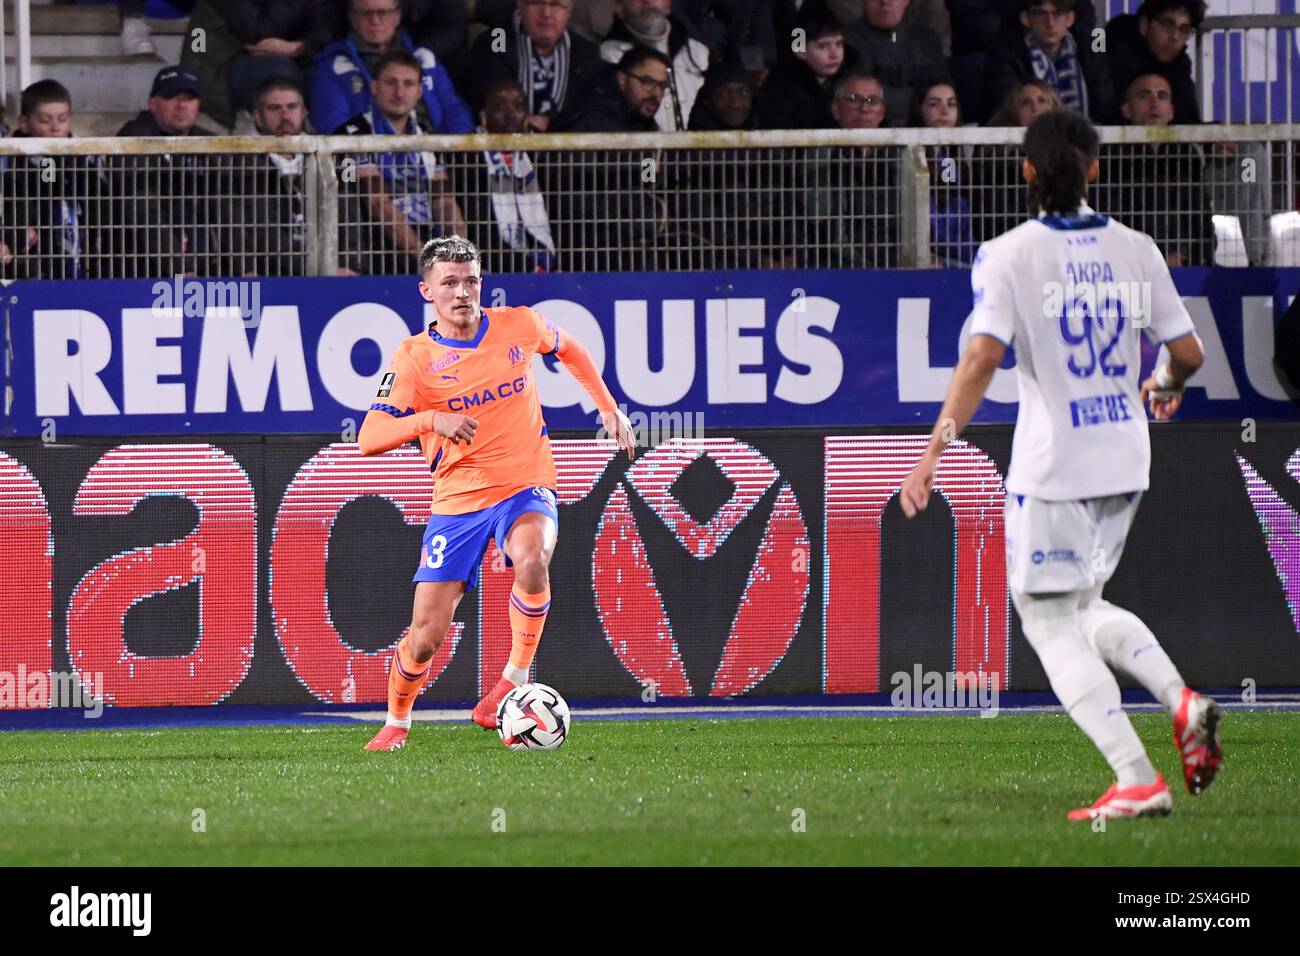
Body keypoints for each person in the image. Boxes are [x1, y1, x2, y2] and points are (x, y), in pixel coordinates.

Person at [899, 109, 1224, 821]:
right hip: (1126, 455)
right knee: (1080, 606)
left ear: (1026, 172)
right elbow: (1190, 353)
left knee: (1045, 618)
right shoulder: (1136, 248)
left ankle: (1136, 776)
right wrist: (1163, 386)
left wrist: (932, 452)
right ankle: (1182, 700)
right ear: (1094, 171)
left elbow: (982, 356)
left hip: (1059, 462)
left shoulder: (1010, 254)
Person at [357, 235, 636, 750]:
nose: (463, 292)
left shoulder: (519, 324)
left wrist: (607, 406)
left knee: (533, 558)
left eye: (471, 281)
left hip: (523, 483)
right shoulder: (414, 358)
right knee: (425, 638)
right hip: (457, 503)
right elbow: (368, 438)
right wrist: (431, 418)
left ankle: (513, 678)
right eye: (449, 284)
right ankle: (397, 720)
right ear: (427, 292)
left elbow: (570, 348)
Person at [334, 51, 469, 274]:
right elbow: (379, 205)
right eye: (390, 83)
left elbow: (444, 202)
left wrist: (461, 257)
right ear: (374, 87)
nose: (399, 92)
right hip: (376, 247)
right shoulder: (354, 134)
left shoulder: (426, 135)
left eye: (408, 84)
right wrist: (425, 260)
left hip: (425, 242)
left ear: (419, 91)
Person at [115, 66, 223, 278]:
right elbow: (144, 211)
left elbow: (230, 207)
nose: (181, 105)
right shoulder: (134, 139)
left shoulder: (211, 143)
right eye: (171, 97)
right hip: (144, 271)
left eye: (189, 98)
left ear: (198, 105)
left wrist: (244, 265)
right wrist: (180, 266)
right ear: (153, 104)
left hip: (204, 267)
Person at [310, 0, 473, 136]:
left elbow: (453, 110)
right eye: (366, 14)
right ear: (353, 19)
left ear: (397, 16)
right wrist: (365, 161)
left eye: (383, 13)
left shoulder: (425, 59)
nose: (375, 21)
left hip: (434, 156)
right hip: (370, 159)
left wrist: (454, 153)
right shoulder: (333, 66)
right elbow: (333, 123)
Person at [1100, 73, 1211, 267]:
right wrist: (1155, 257)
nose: (1154, 103)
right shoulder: (1111, 155)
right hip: (1127, 265)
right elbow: (1111, 219)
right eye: (1144, 96)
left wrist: (1188, 256)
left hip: (1182, 264)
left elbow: (1201, 218)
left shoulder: (1186, 153)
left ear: (1171, 111)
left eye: (1162, 96)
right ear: (1127, 110)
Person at [1, 80, 108, 280]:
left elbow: (104, 209)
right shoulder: (12, 162)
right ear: (24, 123)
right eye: (45, 120)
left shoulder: (88, 157)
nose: (55, 127)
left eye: (62, 119)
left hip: (87, 260)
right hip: (34, 266)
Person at [454, 79, 559, 273]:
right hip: (494, 264)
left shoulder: (540, 152)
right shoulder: (467, 155)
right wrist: (524, 266)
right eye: (500, 105)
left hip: (544, 262)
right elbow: (478, 228)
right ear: (483, 114)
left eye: (519, 106)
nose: (511, 113)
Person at [455, 0, 602, 129]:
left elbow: (597, 115)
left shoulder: (587, 53)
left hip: (567, 155)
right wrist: (523, 123)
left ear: (569, 9)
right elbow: (490, 97)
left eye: (556, 4)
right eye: (537, 2)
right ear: (520, 4)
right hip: (506, 150)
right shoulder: (496, 38)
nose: (546, 13)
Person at [228, 78, 312, 277]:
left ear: (303, 112)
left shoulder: (331, 158)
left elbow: (347, 211)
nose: (285, 115)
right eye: (274, 108)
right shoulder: (240, 166)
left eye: (292, 107)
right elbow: (262, 231)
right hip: (271, 273)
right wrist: (312, 265)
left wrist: (347, 262)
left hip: (329, 268)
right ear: (257, 117)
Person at [985, 0, 1117, 125]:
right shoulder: (1005, 56)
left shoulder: (1092, 55)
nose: (1050, 23)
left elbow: (1106, 111)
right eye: (1040, 13)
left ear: (1070, 18)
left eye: (1058, 13)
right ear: (1025, 18)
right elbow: (1007, 113)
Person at [598, 0, 711, 131]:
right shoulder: (607, 57)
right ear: (619, 8)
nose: (647, 1)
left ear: (669, 4)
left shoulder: (698, 53)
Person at [842, 0, 949, 128]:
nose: (885, 1)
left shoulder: (928, 39)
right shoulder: (849, 41)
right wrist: (924, 100)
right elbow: (862, 97)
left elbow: (944, 94)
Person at [1105, 0, 1204, 125]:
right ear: (1144, 25)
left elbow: (1189, 121)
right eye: (1167, 24)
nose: (1174, 36)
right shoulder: (1112, 46)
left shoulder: (1180, 65)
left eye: (1184, 29)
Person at [910, 82, 976, 267]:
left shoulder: (949, 159)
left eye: (951, 104)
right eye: (934, 104)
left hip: (957, 256)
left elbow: (956, 210)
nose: (945, 111)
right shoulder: (906, 156)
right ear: (919, 110)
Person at [754, 8, 850, 129]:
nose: (834, 55)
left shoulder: (851, 75)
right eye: (823, 46)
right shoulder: (779, 86)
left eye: (839, 44)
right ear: (800, 51)